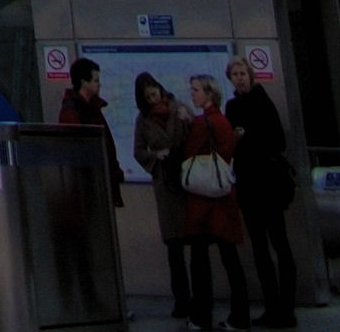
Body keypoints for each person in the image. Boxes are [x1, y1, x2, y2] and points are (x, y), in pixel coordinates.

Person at [227, 60, 298, 330]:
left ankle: (285, 307)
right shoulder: (233, 107)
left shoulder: (262, 102)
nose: (240, 79)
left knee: (277, 243)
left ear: (251, 76)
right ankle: (274, 306)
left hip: (265, 183)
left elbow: (277, 140)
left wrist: (247, 137)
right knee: (261, 247)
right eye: (235, 75)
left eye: (243, 74)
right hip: (249, 183)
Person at [179, 75, 253, 332]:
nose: (193, 94)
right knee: (230, 260)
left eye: (197, 90)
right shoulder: (222, 121)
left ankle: (201, 315)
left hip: (203, 203)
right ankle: (240, 315)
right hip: (223, 199)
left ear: (209, 94)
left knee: (200, 262)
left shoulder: (202, 123)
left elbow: (188, 152)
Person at [135, 74, 194, 321]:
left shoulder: (179, 109)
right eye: (148, 96)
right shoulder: (143, 120)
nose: (153, 98)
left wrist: (188, 121)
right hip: (165, 184)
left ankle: (200, 299)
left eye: (155, 92)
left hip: (188, 179)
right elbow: (138, 151)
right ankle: (181, 301)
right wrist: (155, 157)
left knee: (197, 243)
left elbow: (196, 135)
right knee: (174, 247)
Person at [60, 60, 127, 206]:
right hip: (88, 184)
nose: (99, 84)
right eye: (96, 80)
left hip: (99, 180)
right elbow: (77, 147)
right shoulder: (73, 112)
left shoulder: (92, 107)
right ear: (84, 82)